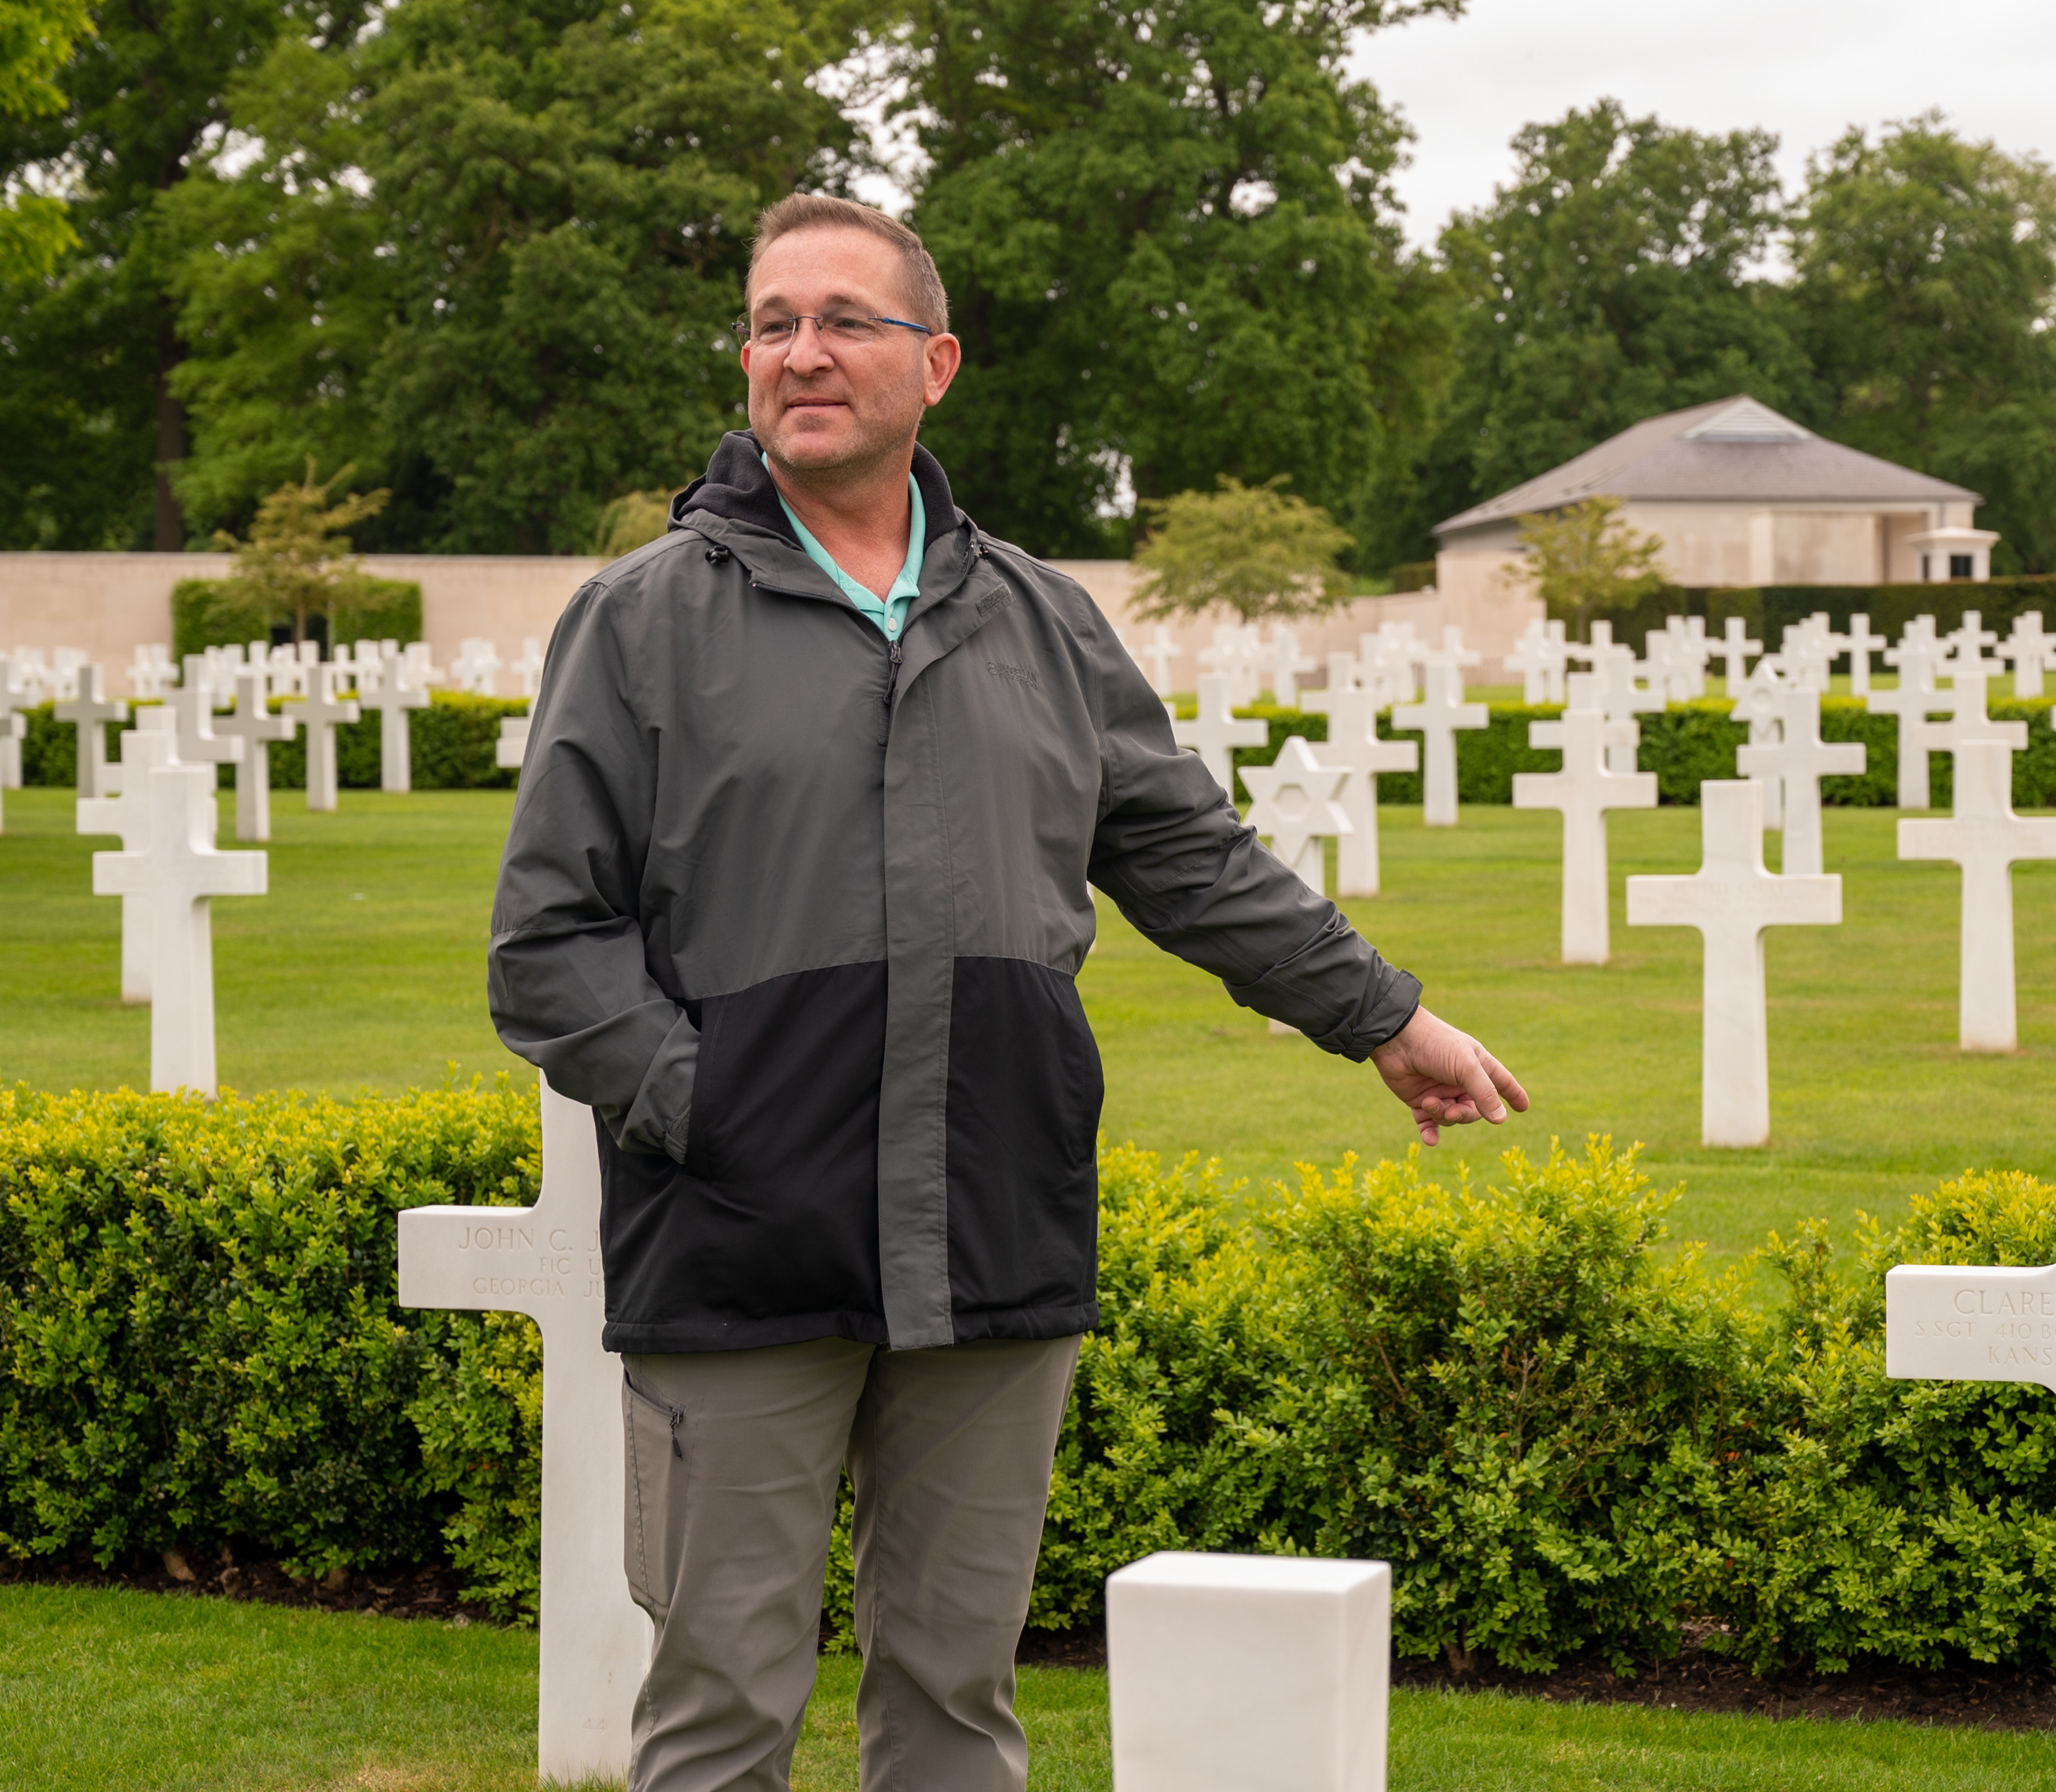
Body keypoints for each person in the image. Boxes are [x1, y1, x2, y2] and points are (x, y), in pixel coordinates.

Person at [487, 193, 1527, 1792]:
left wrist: (1385, 1014)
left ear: (937, 363)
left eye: (845, 320)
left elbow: (1187, 856)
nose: (801, 352)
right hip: (741, 1244)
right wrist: (715, 1110)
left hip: (992, 1227)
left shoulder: (1038, 618)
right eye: (772, 323)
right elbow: (548, 943)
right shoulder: (643, 621)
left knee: (956, 1704)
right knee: (720, 1710)